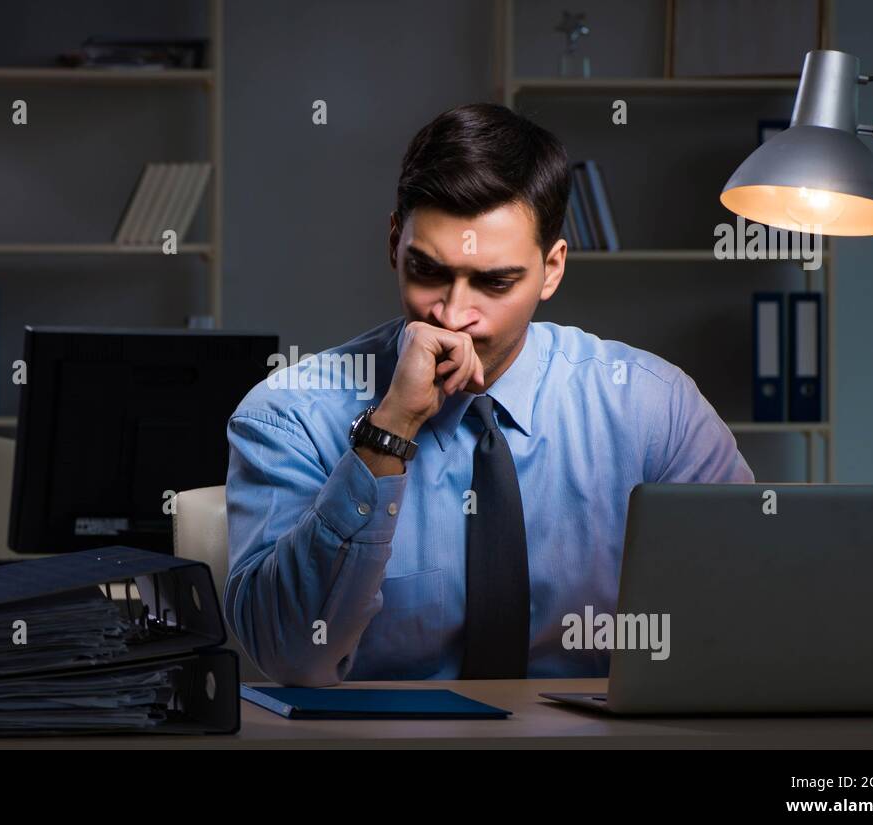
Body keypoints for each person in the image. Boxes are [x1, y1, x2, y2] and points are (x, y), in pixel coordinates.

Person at [224, 103, 754, 687]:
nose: (453, 314)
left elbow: (750, 613)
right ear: (394, 243)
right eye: (427, 271)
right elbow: (290, 656)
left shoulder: (655, 410)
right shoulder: (288, 415)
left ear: (551, 270)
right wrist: (387, 432)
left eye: (494, 282)